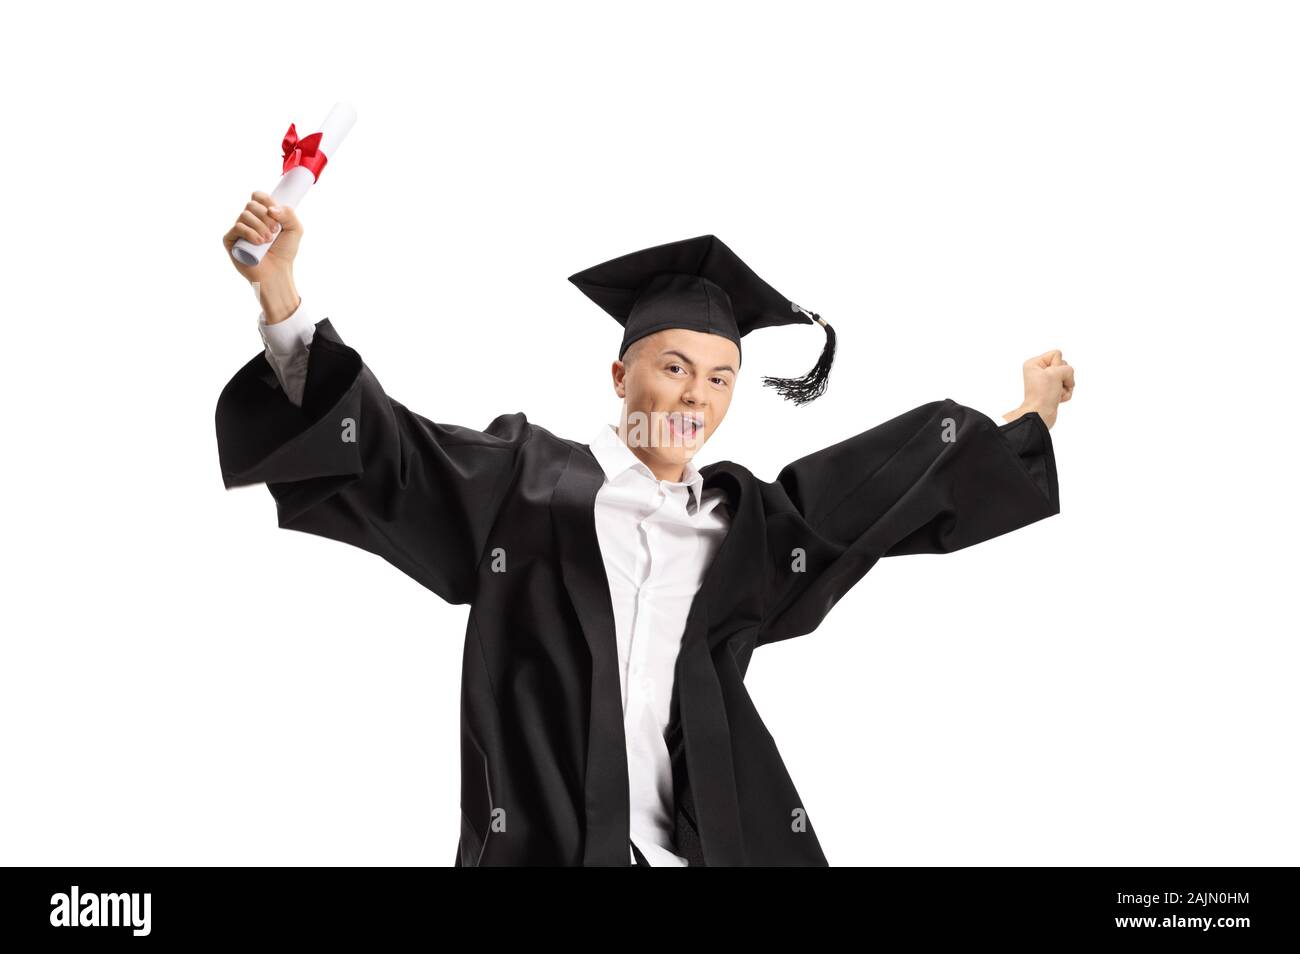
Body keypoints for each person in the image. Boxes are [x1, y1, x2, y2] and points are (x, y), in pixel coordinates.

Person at [216, 190, 1074, 866]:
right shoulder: (529, 485)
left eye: (721, 378)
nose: (698, 395)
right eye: (674, 368)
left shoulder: (744, 527)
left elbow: (887, 489)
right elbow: (392, 454)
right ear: (621, 373)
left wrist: (1026, 420)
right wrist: (280, 294)